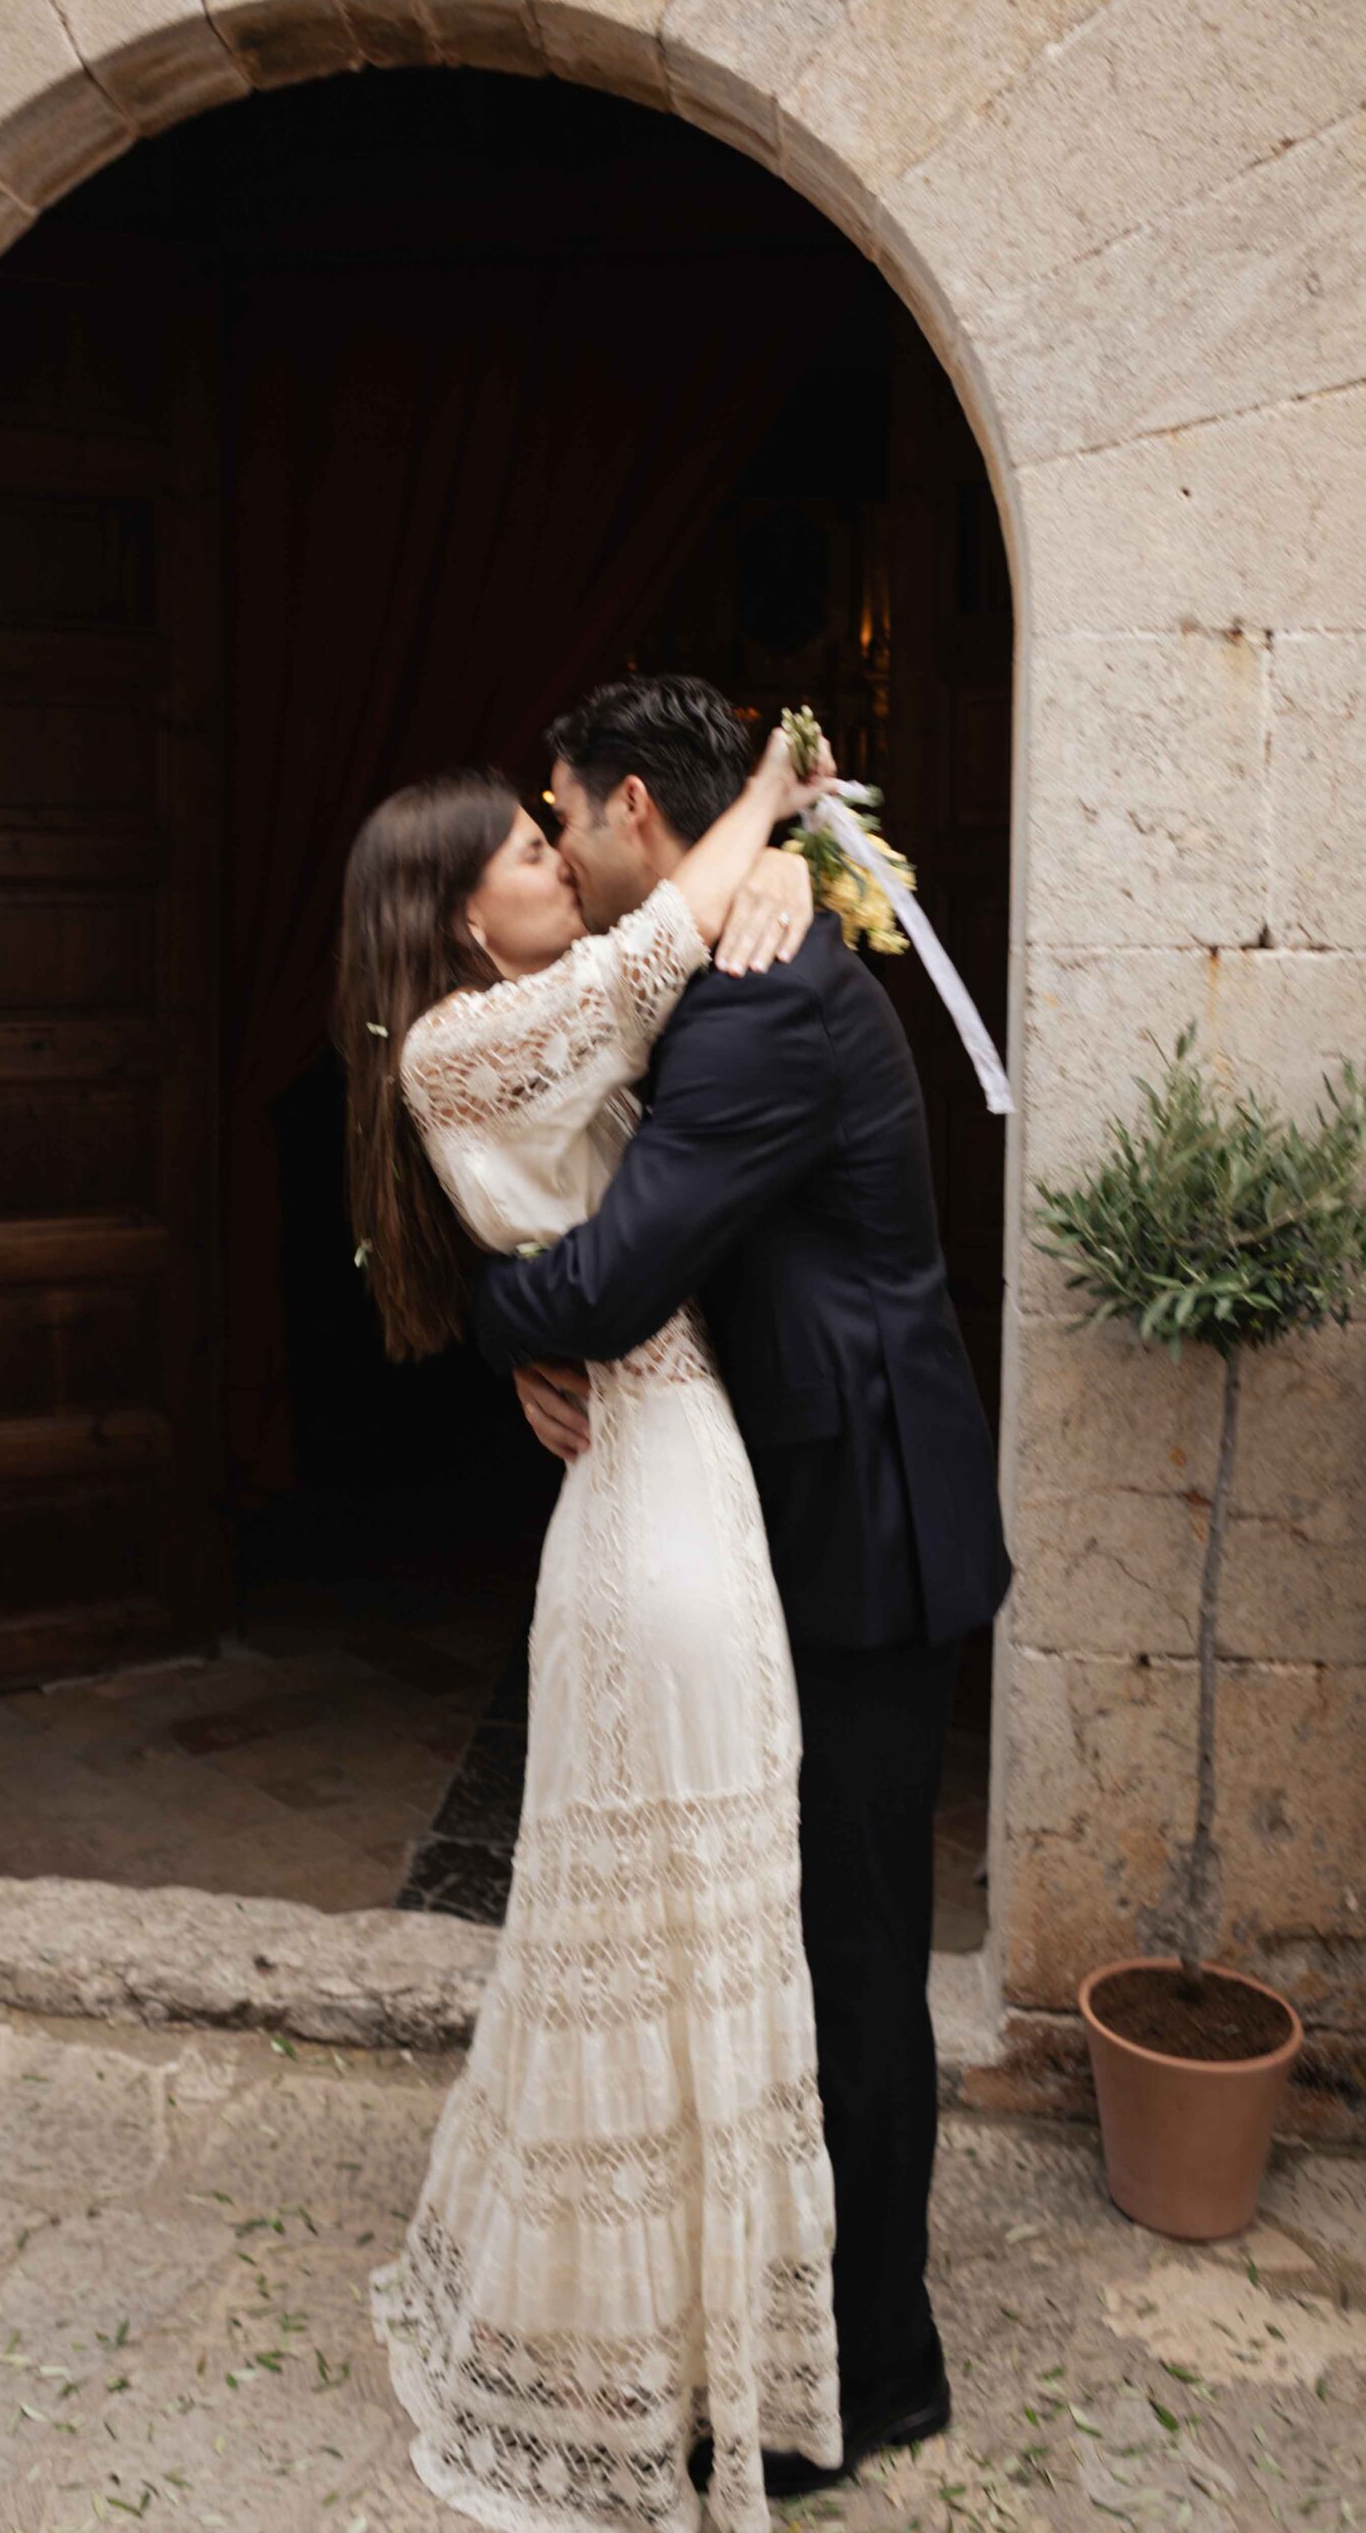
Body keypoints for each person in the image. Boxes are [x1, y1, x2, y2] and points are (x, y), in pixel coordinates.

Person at [473, 674, 1014, 2500]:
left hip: (866, 1529)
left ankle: (879, 2374)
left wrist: (494, 1318)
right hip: (822, 1504)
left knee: (854, 1959)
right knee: (804, 1942)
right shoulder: (722, 962)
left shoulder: (761, 1001)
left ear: (639, 810)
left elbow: (620, 1275)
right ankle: (786, 2327)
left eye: (558, 817)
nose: (547, 848)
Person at [338, 727, 841, 2533]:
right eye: (524, 853)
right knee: (668, 1913)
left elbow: (665, 967)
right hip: (650, 1494)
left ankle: (674, 2345)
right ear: (457, 918)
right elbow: (651, 957)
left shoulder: (500, 1043)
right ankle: (624, 2363)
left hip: (654, 1456)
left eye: (554, 838)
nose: (560, 858)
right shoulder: (469, 1044)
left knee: (678, 1910)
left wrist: (770, 870)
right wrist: (768, 804)